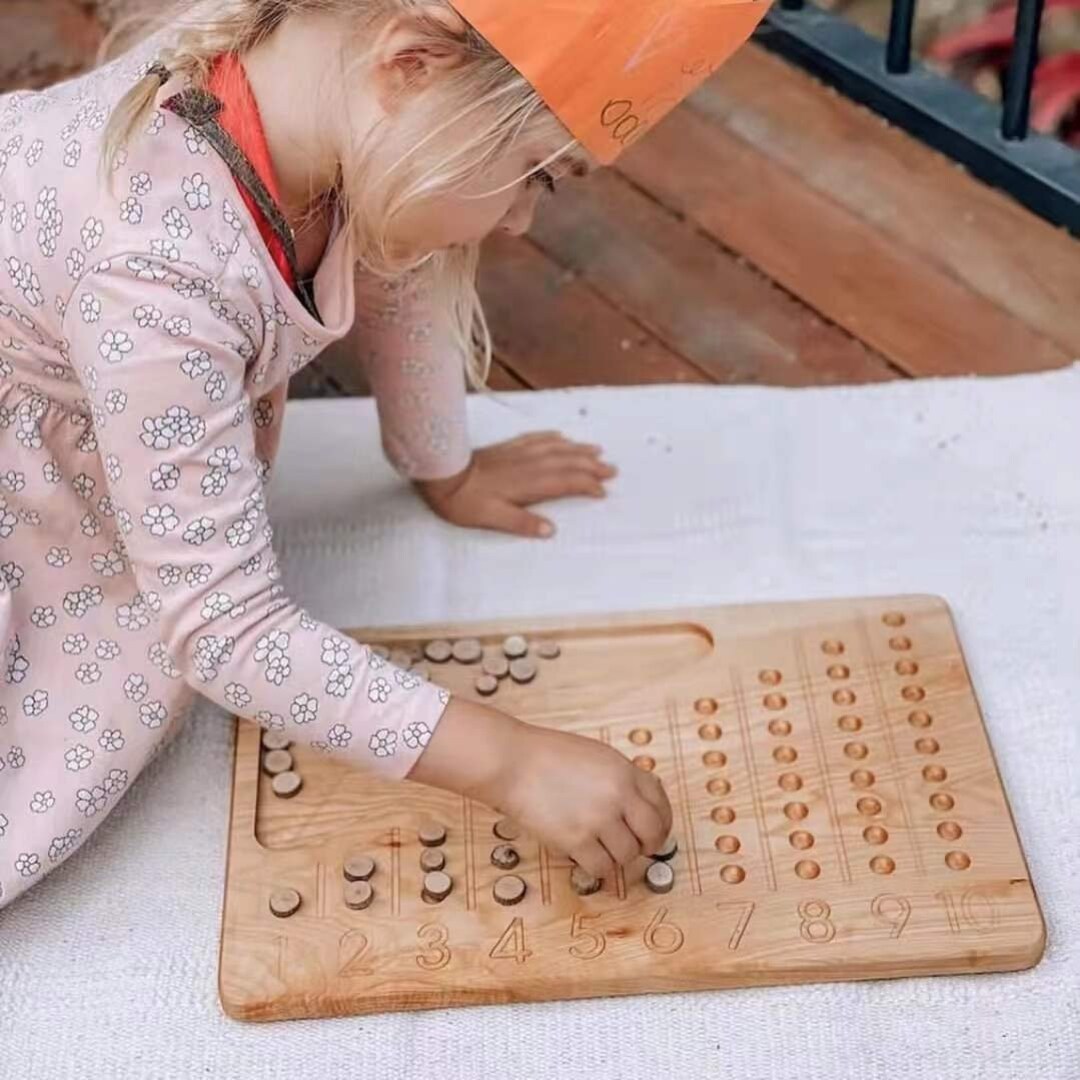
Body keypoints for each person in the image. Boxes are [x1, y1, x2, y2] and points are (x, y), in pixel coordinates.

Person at [0, 0, 767, 910]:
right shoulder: (155, 269)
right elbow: (222, 629)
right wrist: (508, 760)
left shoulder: (333, 94)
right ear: (410, 65)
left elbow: (401, 253)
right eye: (535, 175)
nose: (522, 220)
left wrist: (446, 466)